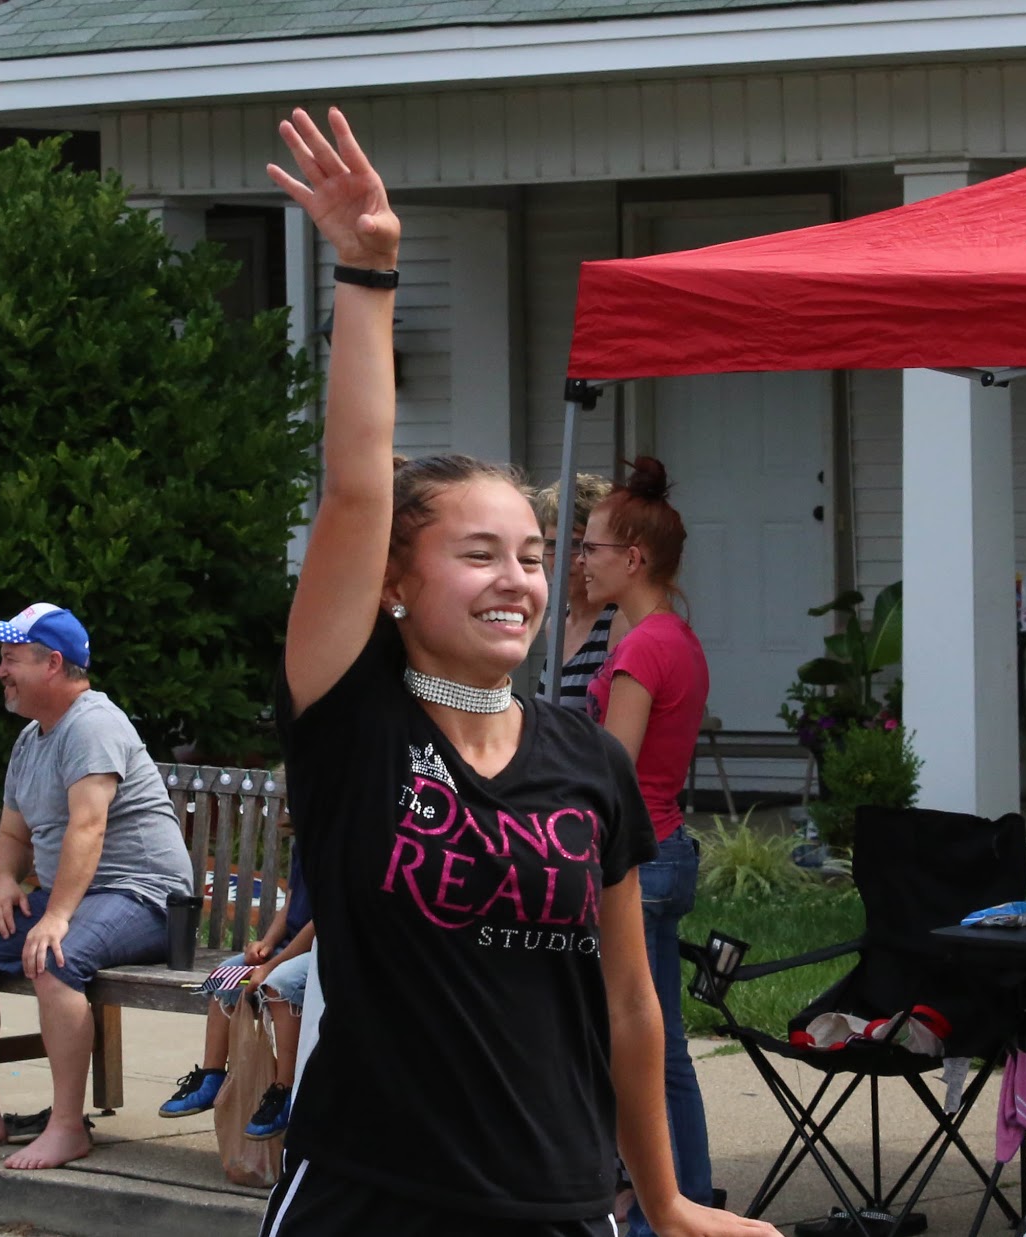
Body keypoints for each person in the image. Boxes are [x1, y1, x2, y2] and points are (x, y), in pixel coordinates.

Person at [260, 106, 774, 1237]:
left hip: (556, 1202)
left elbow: (630, 1006)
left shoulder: (584, 760)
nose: (518, 581)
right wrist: (368, 267)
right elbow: (355, 487)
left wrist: (665, 1199)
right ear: (395, 578)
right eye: (478, 553)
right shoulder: (354, 723)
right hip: (370, 1199)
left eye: (536, 557)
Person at [0, 603, 194, 1171]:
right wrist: (6, 881)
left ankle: (66, 1126)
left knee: (54, 961)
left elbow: (89, 826)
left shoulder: (93, 724)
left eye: (10, 659)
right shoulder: (33, 739)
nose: (0, 671)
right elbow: (11, 831)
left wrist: (55, 917)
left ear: (52, 663)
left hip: (145, 897)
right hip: (79, 897)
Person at [577, 461, 714, 1234]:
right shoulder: (673, 637)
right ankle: (673, 1201)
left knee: (648, 1051)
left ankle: (673, 1208)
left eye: (594, 547)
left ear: (633, 558)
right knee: (660, 1048)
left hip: (639, 857)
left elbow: (611, 773)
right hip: (665, 848)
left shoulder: (640, 650)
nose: (582, 560)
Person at [159, 853, 314, 1140]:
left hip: (320, 950)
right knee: (225, 975)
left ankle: (286, 1089)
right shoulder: (305, 837)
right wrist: (266, 944)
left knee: (279, 984)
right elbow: (291, 904)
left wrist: (270, 966)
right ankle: (212, 1075)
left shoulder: (340, 835)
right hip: (289, 948)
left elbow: (322, 920)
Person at [536, 472, 623, 711]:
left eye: (575, 545)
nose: (561, 558)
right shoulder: (555, 625)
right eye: (552, 545)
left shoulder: (619, 622)